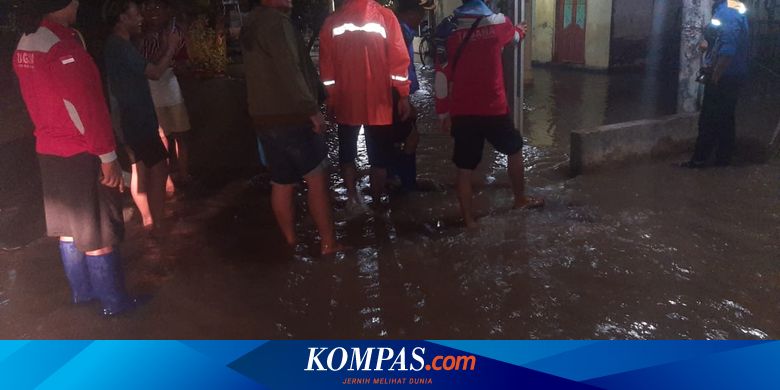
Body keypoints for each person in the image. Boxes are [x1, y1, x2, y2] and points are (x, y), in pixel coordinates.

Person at [13, 0, 141, 316]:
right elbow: (87, 105)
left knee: (70, 228)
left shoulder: (26, 41)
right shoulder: (62, 46)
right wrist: (107, 156)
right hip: (80, 150)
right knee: (98, 230)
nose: (78, 4)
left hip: (49, 150)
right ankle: (114, 303)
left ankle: (82, 295)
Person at [241, 0, 344, 255]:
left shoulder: (251, 23)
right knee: (317, 178)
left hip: (264, 118)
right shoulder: (277, 23)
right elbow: (290, 68)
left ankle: (289, 241)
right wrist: (311, 109)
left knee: (281, 181)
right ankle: (328, 244)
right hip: (292, 115)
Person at [434, 0, 543, 228]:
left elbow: (441, 76)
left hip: (462, 111)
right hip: (494, 108)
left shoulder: (448, 31)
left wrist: (443, 114)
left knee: (464, 168)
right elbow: (514, 38)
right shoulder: (498, 23)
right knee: (514, 149)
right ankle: (520, 200)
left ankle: (469, 221)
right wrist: (520, 31)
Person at [319, 0, 412, 211]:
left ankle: (352, 198)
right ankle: (377, 205)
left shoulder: (332, 21)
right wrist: (403, 95)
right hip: (378, 103)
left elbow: (327, 68)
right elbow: (398, 59)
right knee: (379, 159)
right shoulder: (386, 17)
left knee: (347, 154)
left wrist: (330, 99)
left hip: (346, 102)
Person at [103, 0, 180, 234]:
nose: (140, 19)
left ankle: (150, 221)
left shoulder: (119, 45)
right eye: (135, 14)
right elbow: (154, 72)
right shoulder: (120, 46)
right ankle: (157, 225)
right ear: (122, 18)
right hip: (136, 118)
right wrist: (171, 47)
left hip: (131, 117)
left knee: (142, 167)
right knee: (158, 166)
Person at [681, 0, 749, 168]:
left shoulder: (728, 11)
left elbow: (728, 49)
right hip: (733, 74)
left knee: (708, 119)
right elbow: (719, 35)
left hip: (724, 76)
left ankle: (699, 160)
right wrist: (708, 42)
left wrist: (715, 76)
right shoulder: (731, 7)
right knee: (725, 118)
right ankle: (723, 160)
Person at [138, 0, 193, 188]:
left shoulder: (174, 32)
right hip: (152, 93)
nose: (153, 11)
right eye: (148, 7)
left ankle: (183, 174)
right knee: (162, 136)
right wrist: (167, 47)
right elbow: (147, 66)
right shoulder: (141, 36)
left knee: (181, 134)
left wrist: (180, 64)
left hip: (172, 91)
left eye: (157, 7)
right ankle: (166, 178)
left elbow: (184, 60)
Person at [391, 0, 432, 191]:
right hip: (396, 94)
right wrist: (403, 98)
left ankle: (395, 178)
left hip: (394, 94)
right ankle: (406, 184)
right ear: (410, 14)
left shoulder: (396, 28)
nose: (420, 22)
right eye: (420, 17)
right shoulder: (402, 32)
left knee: (397, 138)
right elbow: (399, 67)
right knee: (411, 137)